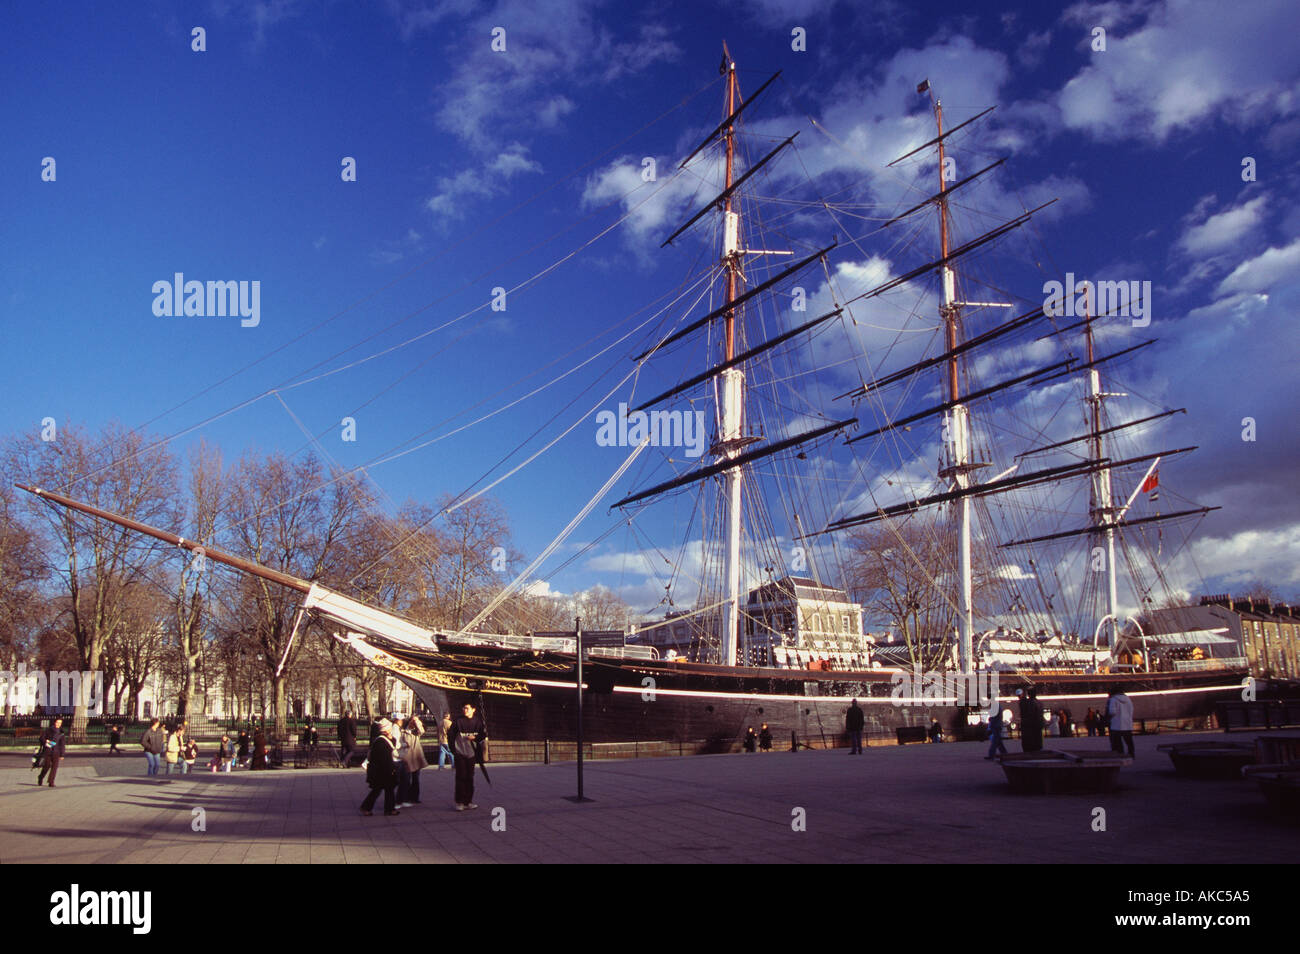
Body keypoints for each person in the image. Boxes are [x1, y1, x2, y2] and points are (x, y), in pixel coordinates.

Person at [446, 701, 487, 811]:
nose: (465, 710)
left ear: (473, 710)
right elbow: (450, 736)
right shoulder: (458, 721)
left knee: (470, 777)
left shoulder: (477, 722)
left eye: (467, 708)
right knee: (460, 777)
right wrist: (454, 750)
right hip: (460, 753)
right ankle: (459, 802)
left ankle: (468, 801)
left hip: (471, 753)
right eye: (463, 708)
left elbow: (483, 734)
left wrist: (475, 737)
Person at [360, 719, 399, 816]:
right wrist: (392, 769)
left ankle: (388, 808)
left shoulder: (382, 739)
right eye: (389, 728)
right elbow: (385, 758)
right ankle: (368, 807)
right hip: (382, 771)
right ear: (386, 730)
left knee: (383, 789)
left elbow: (393, 744)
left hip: (380, 770)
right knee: (381, 790)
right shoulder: (381, 742)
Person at [398, 716, 428, 808]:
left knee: (416, 778)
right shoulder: (403, 731)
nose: (413, 723)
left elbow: (421, 731)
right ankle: (404, 798)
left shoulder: (416, 732)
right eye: (412, 721)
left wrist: (417, 721)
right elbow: (398, 743)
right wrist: (404, 744)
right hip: (407, 757)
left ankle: (414, 797)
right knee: (406, 779)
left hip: (416, 756)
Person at [36, 716, 66, 787]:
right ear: (54, 722)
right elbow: (41, 738)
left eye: (60, 723)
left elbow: (62, 744)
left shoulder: (61, 732)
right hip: (48, 750)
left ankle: (51, 781)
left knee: (54, 767)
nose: (58, 724)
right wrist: (46, 741)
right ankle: (41, 777)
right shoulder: (48, 730)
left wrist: (62, 754)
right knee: (46, 766)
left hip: (56, 751)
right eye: (57, 722)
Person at [1106, 686, 1135, 757]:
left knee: (1117, 742)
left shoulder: (1113, 699)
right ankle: (1131, 754)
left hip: (1116, 724)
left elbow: (1112, 712)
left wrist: (1108, 718)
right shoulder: (1128, 699)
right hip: (1127, 724)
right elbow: (1131, 710)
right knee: (1129, 741)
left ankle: (1120, 754)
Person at [1019, 686, 1044, 753]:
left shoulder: (1029, 703)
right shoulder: (1039, 703)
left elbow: (1027, 714)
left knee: (1030, 745)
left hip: (1030, 728)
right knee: (1038, 744)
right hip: (1038, 726)